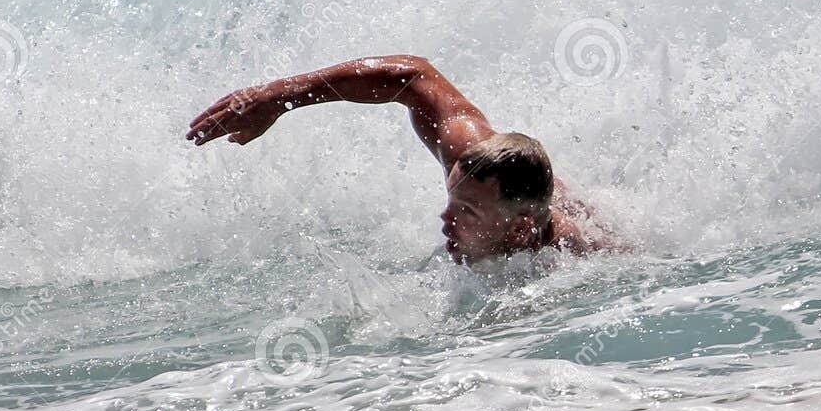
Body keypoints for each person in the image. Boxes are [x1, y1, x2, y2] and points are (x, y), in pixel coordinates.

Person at [187, 55, 611, 263]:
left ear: (519, 232)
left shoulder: (578, 254)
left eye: (466, 211)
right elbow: (413, 75)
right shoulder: (473, 162)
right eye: (452, 201)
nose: (445, 219)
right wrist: (279, 97)